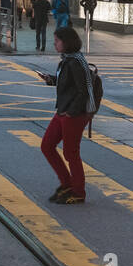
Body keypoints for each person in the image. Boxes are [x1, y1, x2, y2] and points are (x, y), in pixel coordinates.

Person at [36, 26, 94, 205]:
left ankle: (78, 192)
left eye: (57, 41)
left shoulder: (76, 61)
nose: (55, 45)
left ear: (67, 42)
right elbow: (68, 83)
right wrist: (52, 79)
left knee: (71, 153)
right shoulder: (68, 59)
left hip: (74, 114)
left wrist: (71, 112)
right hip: (63, 110)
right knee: (47, 145)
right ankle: (67, 184)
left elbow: (84, 90)